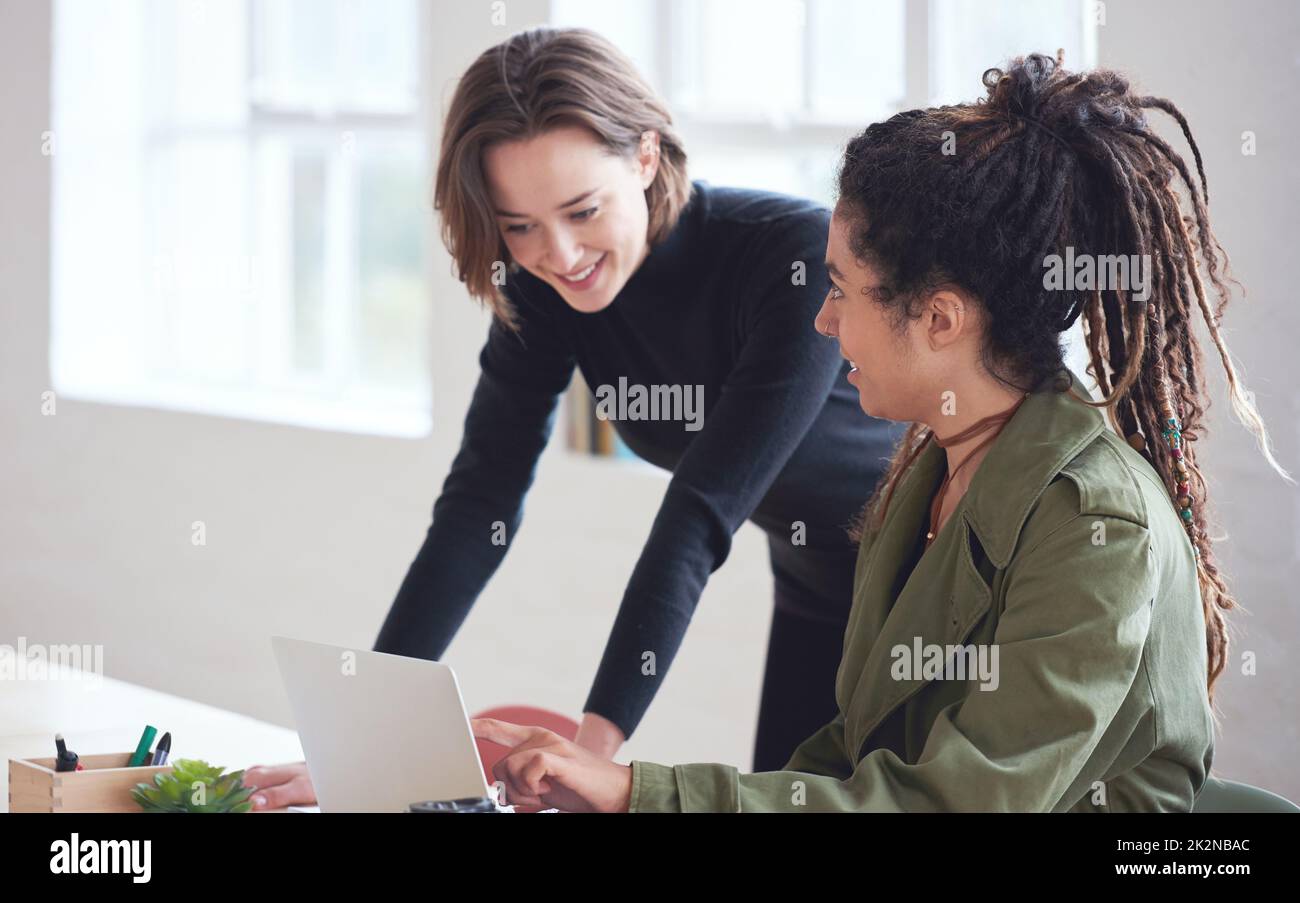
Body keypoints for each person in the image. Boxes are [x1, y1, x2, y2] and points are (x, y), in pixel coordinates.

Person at [470, 51, 1290, 812]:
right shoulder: (928, 475)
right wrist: (632, 790)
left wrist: (635, 791)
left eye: (842, 291)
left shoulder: (1096, 528)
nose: (824, 322)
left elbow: (948, 803)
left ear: (938, 319)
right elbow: (857, 754)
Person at [242, 27, 900, 809]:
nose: (558, 253)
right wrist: (361, 743)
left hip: (940, 585)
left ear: (647, 157)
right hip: (817, 589)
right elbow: (478, 503)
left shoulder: (789, 257)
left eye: (583, 210)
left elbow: (700, 512)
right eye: (518, 225)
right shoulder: (546, 292)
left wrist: (593, 755)